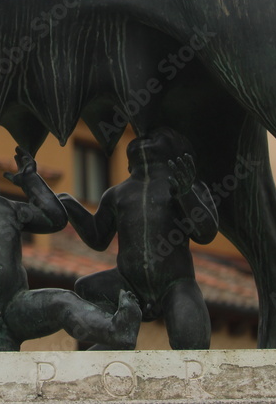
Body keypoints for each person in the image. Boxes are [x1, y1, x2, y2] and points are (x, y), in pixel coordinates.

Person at [0, 148, 141, 351]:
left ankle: (114, 330)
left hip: (15, 305)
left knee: (63, 300)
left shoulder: (11, 206)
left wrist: (31, 180)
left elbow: (56, 218)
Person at [58, 127, 217, 349]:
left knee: (193, 346)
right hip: (128, 283)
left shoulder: (188, 185)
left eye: (156, 135)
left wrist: (186, 193)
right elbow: (97, 237)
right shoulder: (117, 194)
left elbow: (206, 232)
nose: (145, 137)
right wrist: (69, 205)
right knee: (88, 287)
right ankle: (113, 338)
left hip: (176, 283)